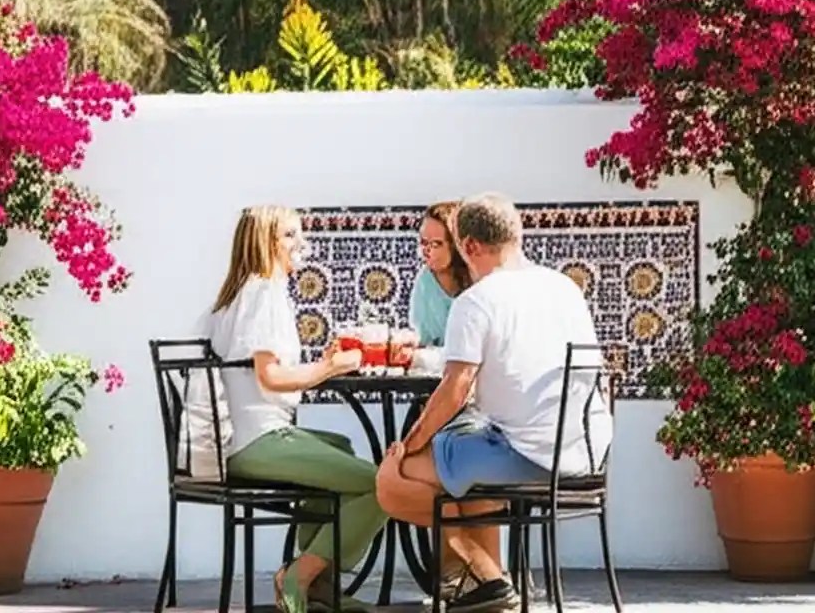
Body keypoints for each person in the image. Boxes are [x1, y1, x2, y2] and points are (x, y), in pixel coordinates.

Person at [376, 193, 613, 612]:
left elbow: (455, 388)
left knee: (392, 480)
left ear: (467, 246)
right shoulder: (564, 287)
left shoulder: (477, 300)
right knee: (462, 471)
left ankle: (488, 577)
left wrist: (409, 444)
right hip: (585, 453)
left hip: (525, 456)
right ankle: (483, 585)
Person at [207, 205, 386, 613]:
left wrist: (321, 365)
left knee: (339, 446)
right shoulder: (264, 293)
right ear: (265, 242)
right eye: (289, 235)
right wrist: (330, 367)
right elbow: (270, 377)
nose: (299, 244)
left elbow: (257, 374)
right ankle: (300, 576)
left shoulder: (236, 297)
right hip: (259, 441)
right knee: (383, 486)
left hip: (239, 440)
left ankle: (318, 587)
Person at [409, 201, 473, 347]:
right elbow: (422, 339)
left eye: (436, 244)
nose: (426, 251)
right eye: (424, 242)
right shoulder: (425, 282)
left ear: (456, 245)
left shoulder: (477, 279)